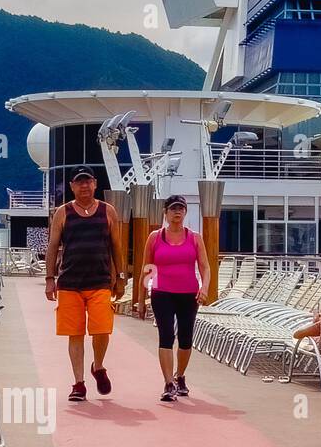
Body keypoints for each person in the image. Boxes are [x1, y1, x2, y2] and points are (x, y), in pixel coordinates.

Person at [45, 169, 126, 401]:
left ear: (95, 184)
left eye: (88, 181)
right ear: (72, 186)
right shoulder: (63, 213)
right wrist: (50, 279)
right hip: (70, 282)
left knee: (102, 329)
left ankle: (98, 366)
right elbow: (52, 247)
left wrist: (120, 277)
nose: (84, 186)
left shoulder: (107, 211)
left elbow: (117, 247)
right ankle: (78, 383)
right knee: (75, 334)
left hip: (100, 281)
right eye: (79, 182)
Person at [137, 195, 210, 402]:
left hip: (188, 293)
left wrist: (204, 288)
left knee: (186, 338)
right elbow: (146, 269)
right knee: (166, 335)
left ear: (185, 212)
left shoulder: (195, 237)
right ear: (165, 212)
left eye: (181, 209)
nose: (177, 212)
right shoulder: (155, 237)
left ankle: (180, 376)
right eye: (173, 209)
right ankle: (169, 383)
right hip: (162, 293)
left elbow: (205, 266)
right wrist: (142, 300)